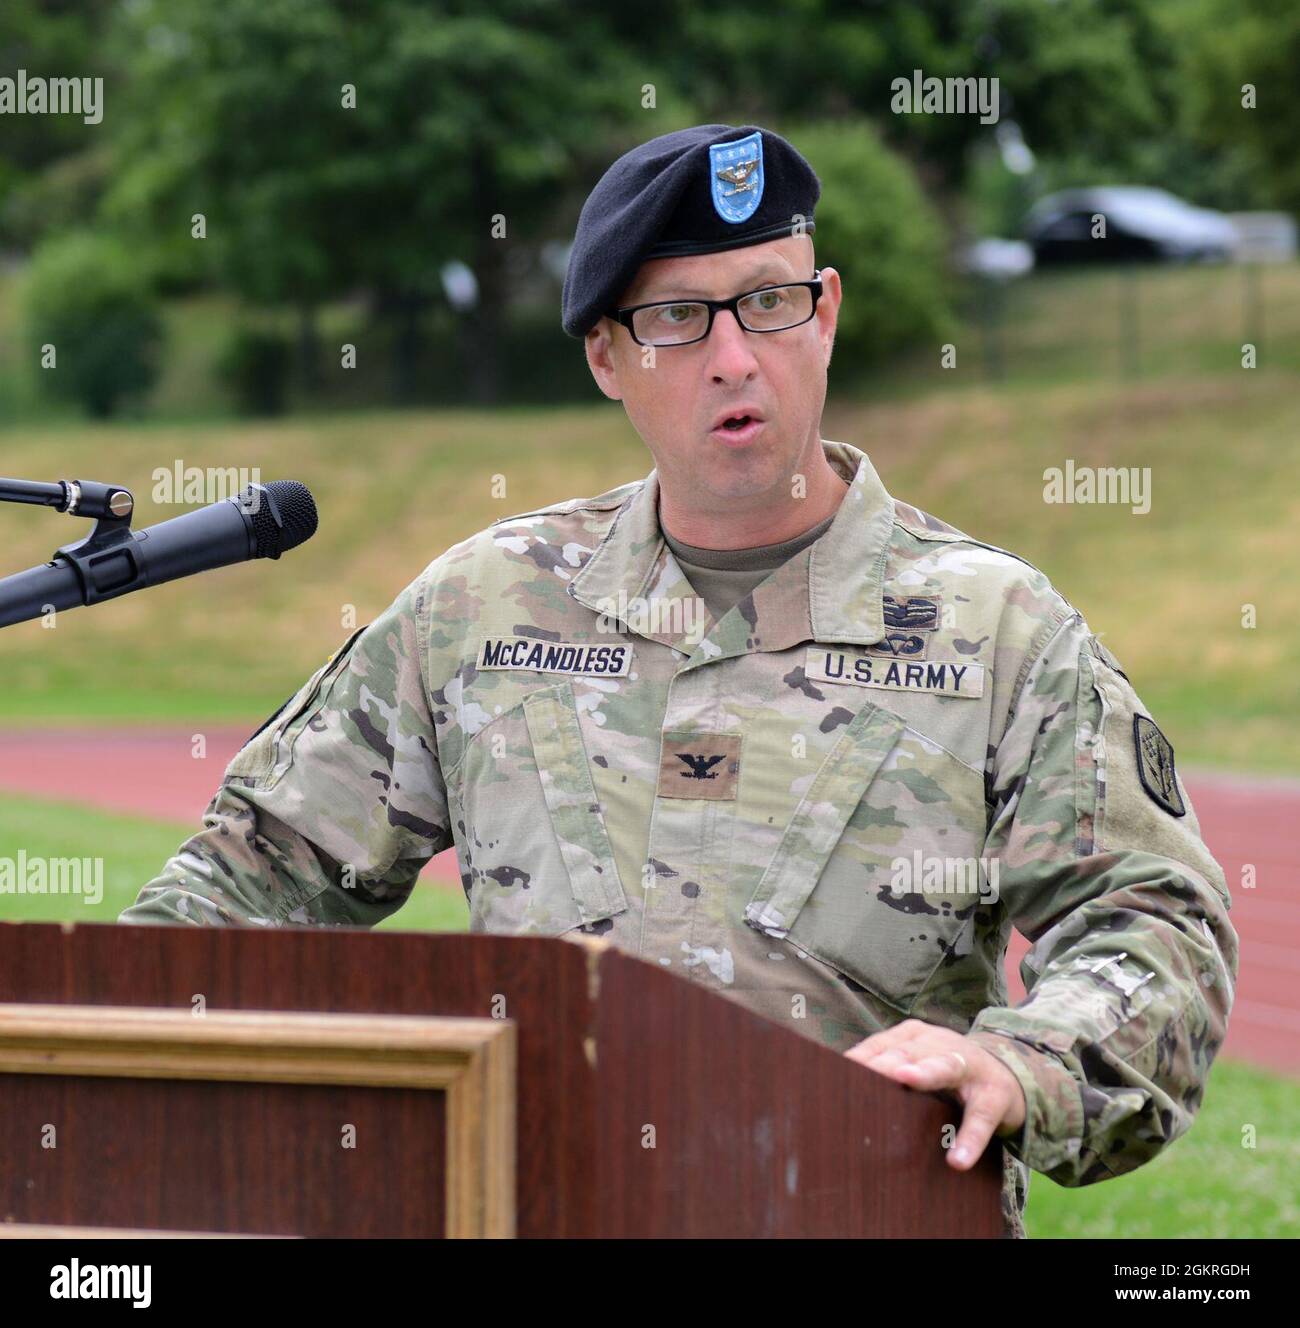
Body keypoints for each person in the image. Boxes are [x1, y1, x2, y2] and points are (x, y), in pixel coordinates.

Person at [120, 124, 1238, 1239]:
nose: (735, 356)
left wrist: (1017, 1058)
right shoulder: (487, 606)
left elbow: (1154, 922)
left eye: (768, 302)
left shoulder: (997, 631)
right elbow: (249, 874)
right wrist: (98, 1045)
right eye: (674, 318)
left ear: (827, 312)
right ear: (607, 358)